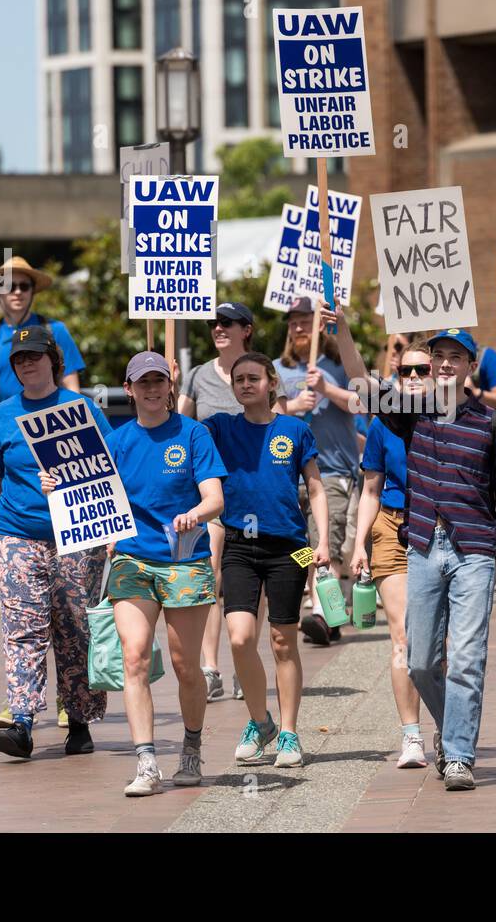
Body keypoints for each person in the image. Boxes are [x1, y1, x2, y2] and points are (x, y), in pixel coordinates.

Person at [338, 321, 496, 792]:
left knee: (465, 658)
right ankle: (452, 727)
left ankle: (459, 754)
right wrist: (342, 330)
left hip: (475, 549)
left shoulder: (492, 422)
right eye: (437, 355)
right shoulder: (408, 413)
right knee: (420, 661)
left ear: (468, 367)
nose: (444, 363)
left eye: (454, 357)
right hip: (421, 544)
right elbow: (362, 385)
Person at [0, 326, 109, 758]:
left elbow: (110, 470)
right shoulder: (2, 415)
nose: (26, 362)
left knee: (74, 629)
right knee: (23, 630)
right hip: (15, 535)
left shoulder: (81, 408)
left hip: (77, 537)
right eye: (19, 358)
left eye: (35, 355)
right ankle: (23, 722)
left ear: (54, 360)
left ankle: (80, 719)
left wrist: (72, 483)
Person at [97, 351, 227, 795]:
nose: (151, 389)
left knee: (184, 665)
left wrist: (195, 513)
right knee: (134, 656)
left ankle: (190, 748)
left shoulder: (194, 434)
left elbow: (215, 499)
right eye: (142, 382)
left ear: (169, 386)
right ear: (128, 389)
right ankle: (146, 763)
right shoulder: (116, 441)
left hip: (185, 561)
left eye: (158, 381)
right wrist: (57, 487)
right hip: (133, 559)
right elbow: (90, 496)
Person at [203, 352, 328, 768]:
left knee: (282, 642)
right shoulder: (220, 428)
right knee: (239, 637)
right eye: (238, 379)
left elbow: (315, 490)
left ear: (272, 382)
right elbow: (176, 430)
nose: (245, 385)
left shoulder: (295, 429)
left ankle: (290, 733)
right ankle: (261, 722)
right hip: (239, 544)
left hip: (292, 547)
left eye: (253, 378)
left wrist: (322, 543)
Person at [178, 301, 285, 705]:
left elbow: (283, 428)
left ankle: (245, 663)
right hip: (212, 496)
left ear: (247, 329)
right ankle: (210, 667)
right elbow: (181, 427)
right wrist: (171, 391)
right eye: (213, 323)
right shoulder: (197, 375)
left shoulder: (262, 370)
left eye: (227, 323)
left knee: (251, 584)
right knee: (211, 575)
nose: (218, 328)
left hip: (254, 497)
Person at [348, 341, 432, 768]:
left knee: (435, 644)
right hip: (392, 528)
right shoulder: (384, 423)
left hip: (439, 532)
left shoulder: (450, 416)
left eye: (422, 370)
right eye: (405, 372)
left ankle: (449, 725)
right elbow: (371, 488)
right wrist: (360, 542)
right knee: (402, 635)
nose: (413, 378)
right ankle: (411, 735)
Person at [274, 296, 357, 647]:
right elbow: (268, 415)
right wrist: (293, 406)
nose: (298, 327)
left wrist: (326, 388)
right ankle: (331, 614)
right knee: (305, 549)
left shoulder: (339, 365)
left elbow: (363, 401)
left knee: (329, 545)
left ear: (320, 324)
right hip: (291, 475)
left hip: (333, 471)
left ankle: (323, 614)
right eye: (293, 322)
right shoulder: (277, 369)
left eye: (305, 321)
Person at [0, 256, 85, 435]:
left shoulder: (55, 330)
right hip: (5, 430)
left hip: (51, 429)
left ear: (32, 292)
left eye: (24, 286)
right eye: (9, 286)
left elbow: (72, 386)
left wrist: (77, 423)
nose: (17, 292)